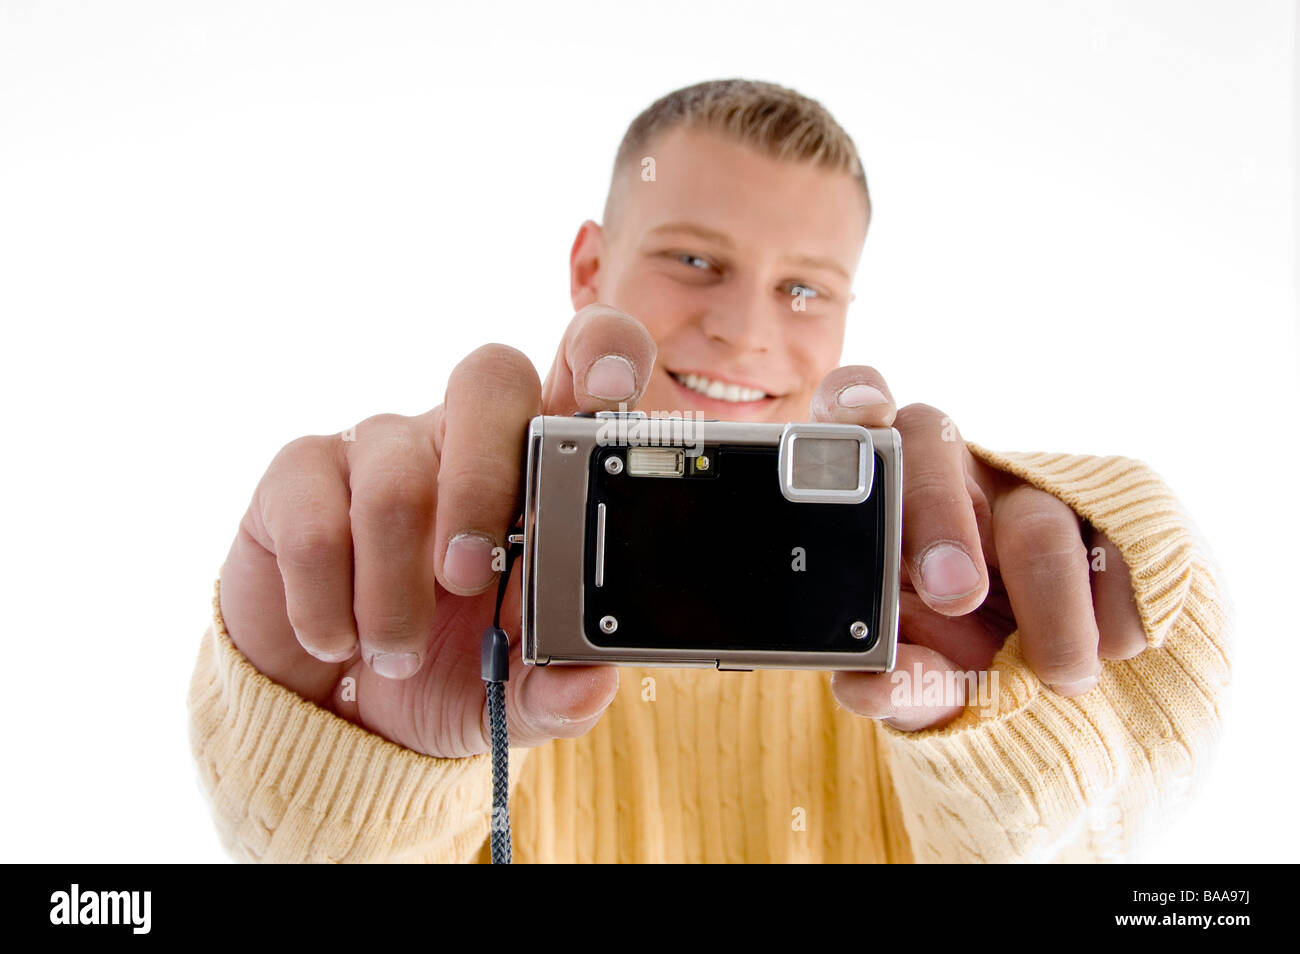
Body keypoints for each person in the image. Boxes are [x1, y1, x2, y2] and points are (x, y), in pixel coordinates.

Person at [187, 79, 1232, 863]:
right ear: (589, 267)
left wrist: (1016, 690)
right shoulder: (438, 572)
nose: (742, 332)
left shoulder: (935, 593)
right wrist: (349, 734)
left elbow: (1096, 836)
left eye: (806, 290)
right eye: (694, 261)